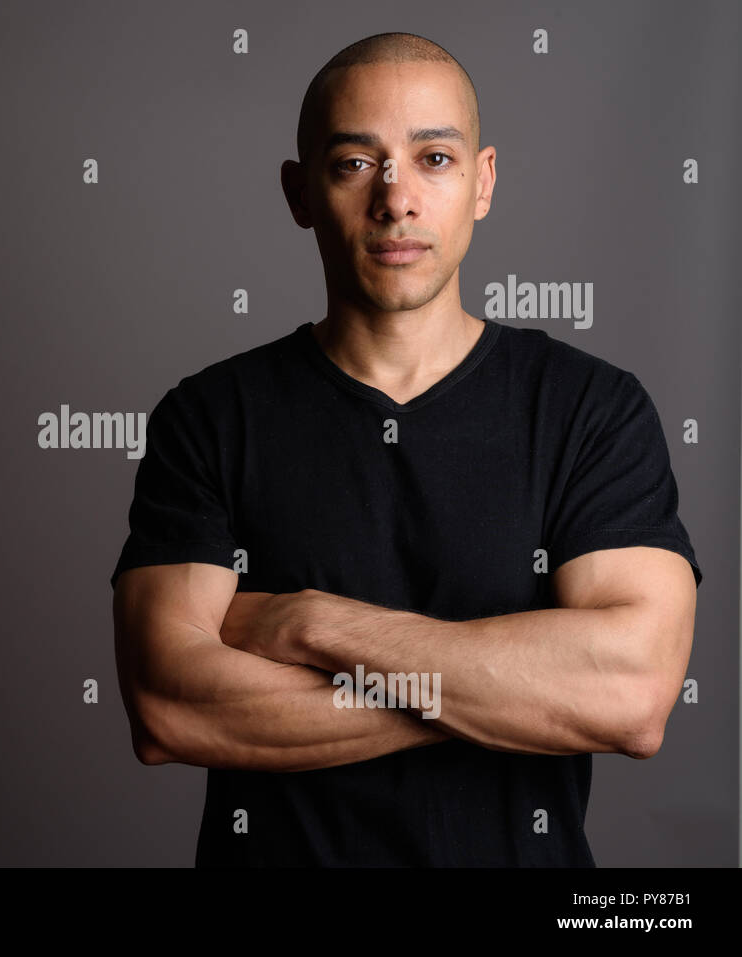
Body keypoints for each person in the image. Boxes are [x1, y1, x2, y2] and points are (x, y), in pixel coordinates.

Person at [109, 32, 702, 867]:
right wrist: (503, 694)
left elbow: (631, 697)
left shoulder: (589, 410)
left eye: (434, 158)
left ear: (483, 182)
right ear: (300, 191)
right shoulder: (209, 416)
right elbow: (171, 708)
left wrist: (305, 621)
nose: (396, 200)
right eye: (356, 162)